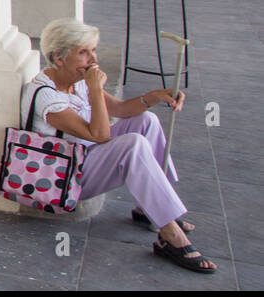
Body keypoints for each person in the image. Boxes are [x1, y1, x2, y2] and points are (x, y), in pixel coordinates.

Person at [25, 19, 215, 272]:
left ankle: (151, 208)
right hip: (66, 179)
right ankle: (170, 235)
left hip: (87, 156)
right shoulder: (47, 96)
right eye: (83, 52)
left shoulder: (77, 80)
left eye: (93, 50)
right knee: (132, 145)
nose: (93, 59)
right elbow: (101, 136)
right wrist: (94, 89)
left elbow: (121, 109)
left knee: (146, 120)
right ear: (58, 58)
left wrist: (157, 96)